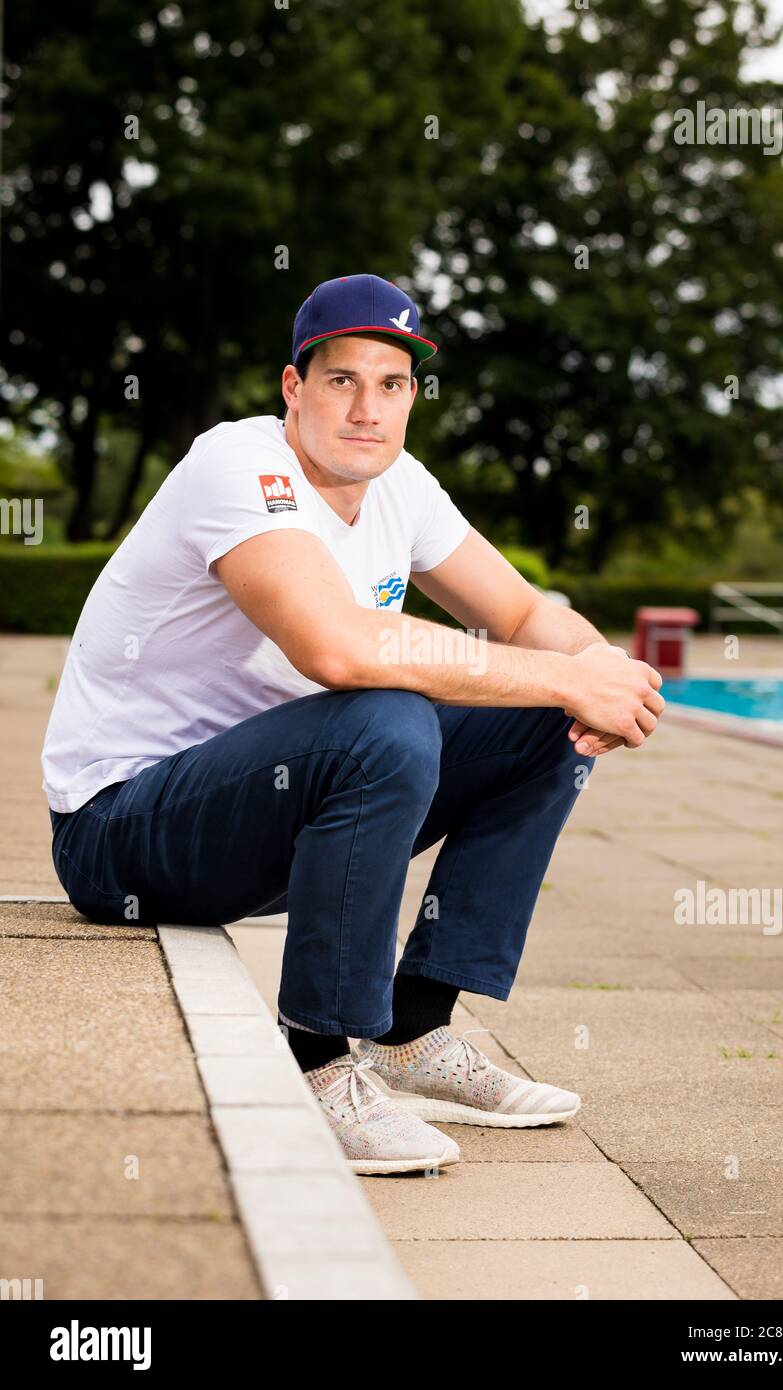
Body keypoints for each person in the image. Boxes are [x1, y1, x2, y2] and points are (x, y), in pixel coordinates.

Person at [41, 273, 664, 1176]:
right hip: (122, 832)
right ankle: (319, 1061)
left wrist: (613, 676)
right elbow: (335, 648)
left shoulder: (403, 485)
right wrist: (568, 676)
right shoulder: (241, 464)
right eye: (343, 380)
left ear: (413, 396)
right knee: (384, 716)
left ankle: (412, 1034)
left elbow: (527, 617)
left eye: (393, 384)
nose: (368, 407)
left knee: (541, 717)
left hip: (268, 822)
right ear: (295, 389)